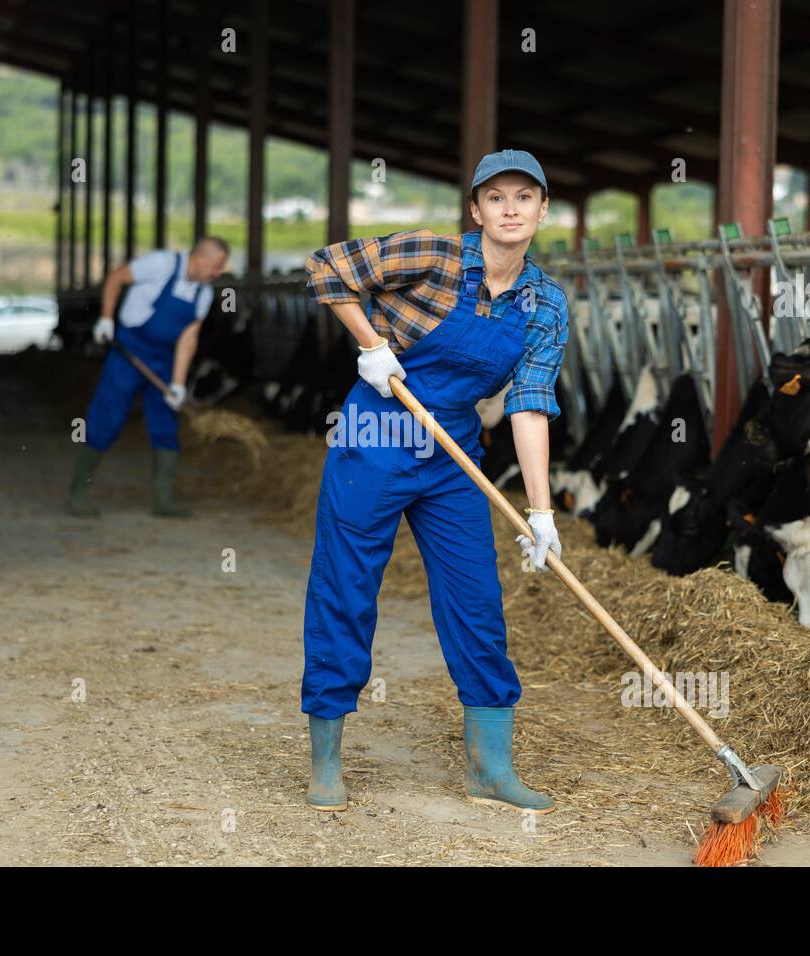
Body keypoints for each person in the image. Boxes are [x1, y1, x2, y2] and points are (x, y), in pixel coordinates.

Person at [300, 149, 569, 813]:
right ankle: (326, 762)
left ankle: (490, 769)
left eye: (524, 198)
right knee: (347, 588)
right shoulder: (436, 254)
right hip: (376, 435)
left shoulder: (546, 304)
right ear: (475, 209)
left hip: (453, 453)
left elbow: (529, 402)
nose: (510, 209)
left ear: (542, 210)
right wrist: (370, 344)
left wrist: (541, 512)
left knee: (476, 598)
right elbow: (327, 268)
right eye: (496, 197)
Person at [67, 237, 230, 517]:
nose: (217, 273)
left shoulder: (203, 294)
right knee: (108, 417)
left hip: (164, 360)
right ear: (200, 258)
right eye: (216, 266)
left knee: (166, 424)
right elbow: (116, 277)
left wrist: (178, 384)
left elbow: (188, 338)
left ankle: (163, 501)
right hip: (129, 351)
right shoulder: (161, 264)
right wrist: (106, 317)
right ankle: (79, 493)